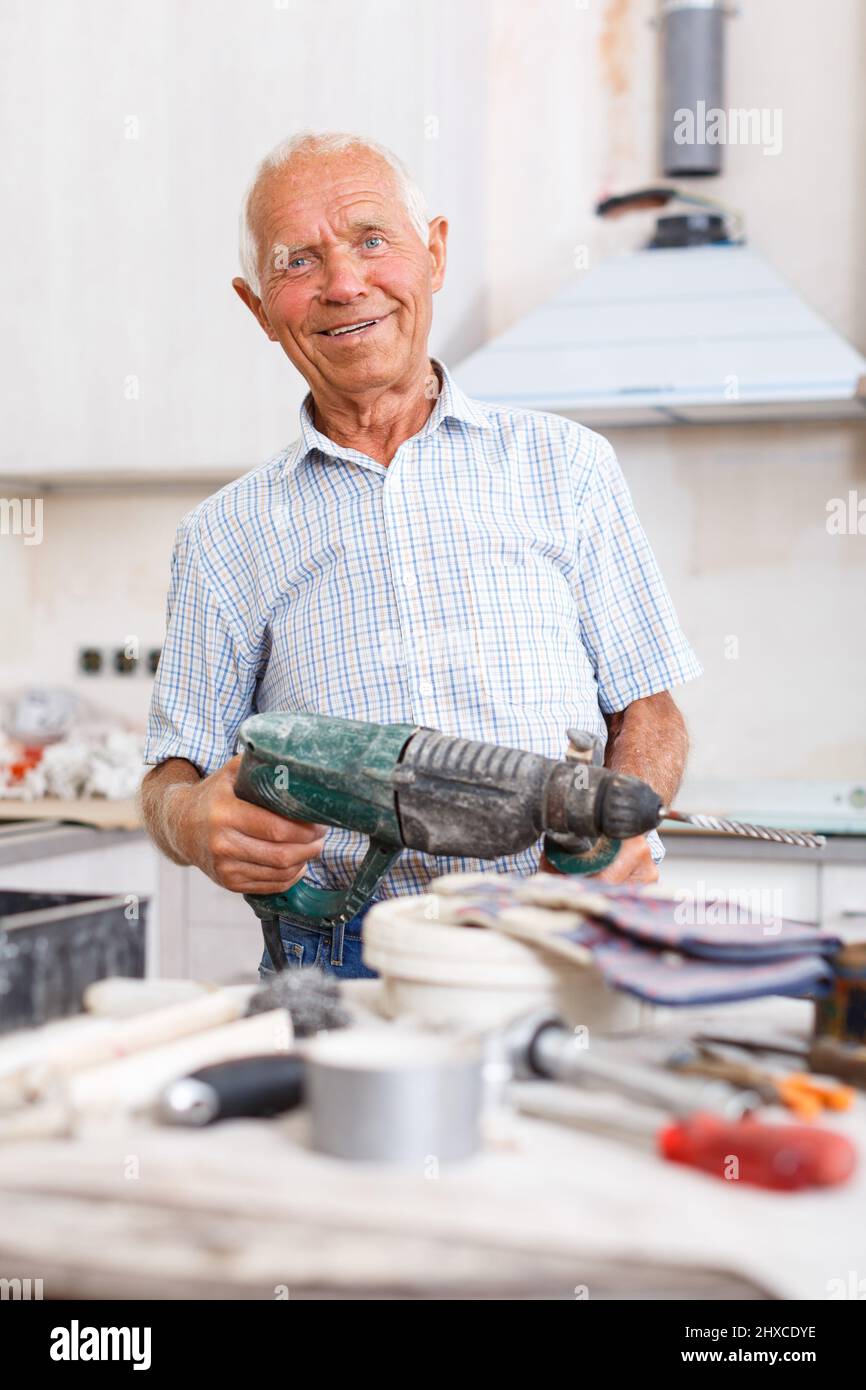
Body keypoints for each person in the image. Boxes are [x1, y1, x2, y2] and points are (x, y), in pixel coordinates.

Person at [140, 131, 702, 977]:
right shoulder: (223, 535)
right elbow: (170, 776)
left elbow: (649, 717)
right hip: (339, 957)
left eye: (372, 240)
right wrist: (192, 823)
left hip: (559, 930)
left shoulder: (568, 467)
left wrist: (623, 834)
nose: (344, 284)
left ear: (432, 253)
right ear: (258, 308)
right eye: (298, 262)